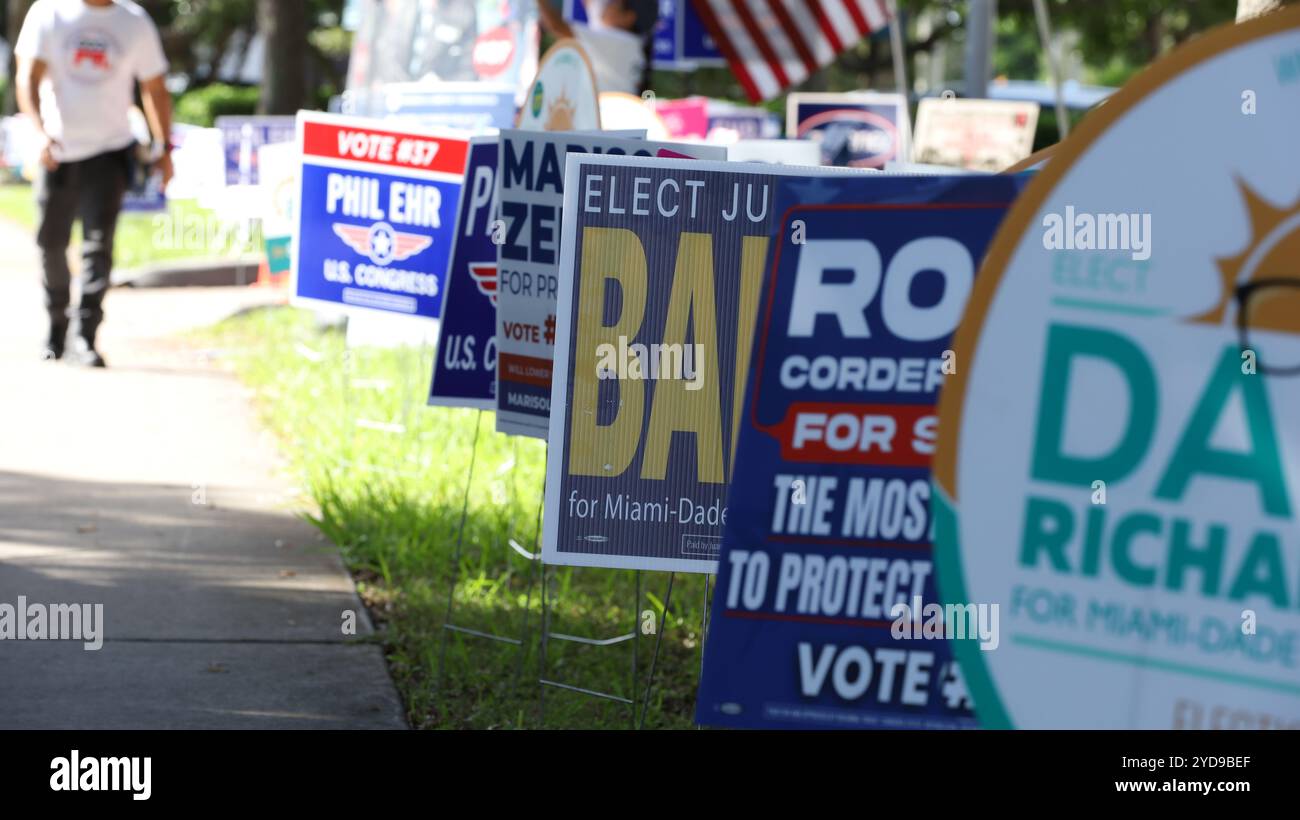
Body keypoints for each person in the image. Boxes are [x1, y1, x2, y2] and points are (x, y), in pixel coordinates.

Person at [15, 0, 173, 367]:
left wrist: (163, 148)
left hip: (110, 151)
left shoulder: (133, 21)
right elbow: (28, 77)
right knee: (51, 243)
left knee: (98, 247)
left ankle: (84, 336)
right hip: (58, 149)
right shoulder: (49, 12)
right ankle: (57, 326)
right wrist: (39, 133)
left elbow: (155, 87)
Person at [536, 0, 659, 96]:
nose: (607, 5)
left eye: (614, 2)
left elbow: (556, 26)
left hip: (603, 119)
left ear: (628, 18)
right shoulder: (630, 43)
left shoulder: (618, 42)